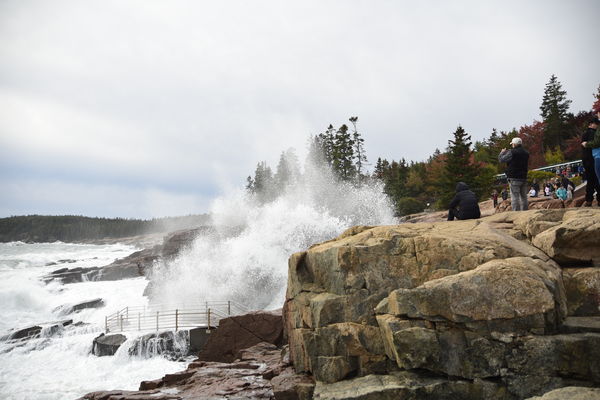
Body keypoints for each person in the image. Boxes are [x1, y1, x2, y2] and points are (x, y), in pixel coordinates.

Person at [499, 137, 530, 211]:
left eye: (512, 144)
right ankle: (525, 212)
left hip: (514, 177)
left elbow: (501, 160)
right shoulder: (526, 152)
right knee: (524, 197)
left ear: (515, 144)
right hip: (523, 176)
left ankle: (516, 213)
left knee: (515, 197)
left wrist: (502, 152)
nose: (512, 145)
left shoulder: (512, 152)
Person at [581, 117, 600, 206]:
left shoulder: (584, 134)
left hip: (586, 160)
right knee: (596, 179)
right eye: (596, 124)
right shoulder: (594, 133)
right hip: (593, 158)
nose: (597, 126)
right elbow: (596, 143)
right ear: (592, 124)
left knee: (590, 180)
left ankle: (589, 200)